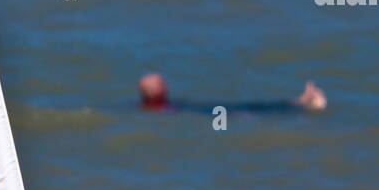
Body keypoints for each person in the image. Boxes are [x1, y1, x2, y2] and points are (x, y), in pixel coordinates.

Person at [137, 72, 327, 112]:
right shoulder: (165, 109)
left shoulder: (144, 108)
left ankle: (301, 101)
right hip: (202, 111)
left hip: (197, 109)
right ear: (162, 90)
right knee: (251, 109)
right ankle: (303, 102)